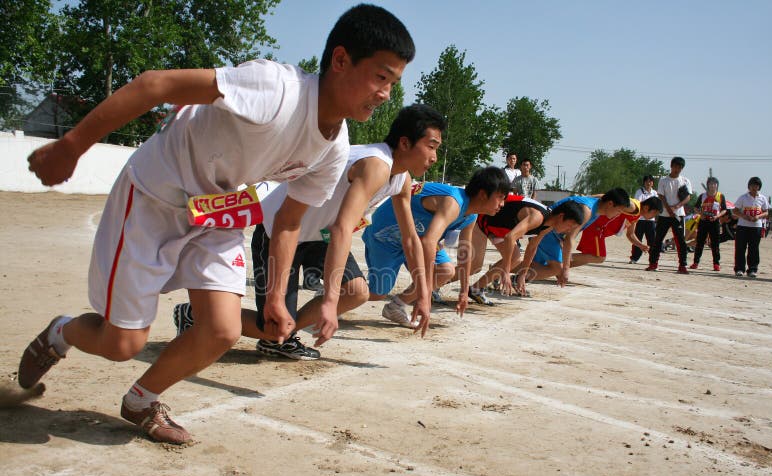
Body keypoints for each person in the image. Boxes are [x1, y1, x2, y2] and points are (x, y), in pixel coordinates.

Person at [18, 4, 415, 444]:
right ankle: (61, 332)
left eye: (393, 83)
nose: (385, 93)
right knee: (122, 345)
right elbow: (158, 84)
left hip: (217, 214)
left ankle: (142, 399)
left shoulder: (334, 149)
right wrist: (72, 146)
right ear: (341, 60)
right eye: (381, 76)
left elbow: (286, 223)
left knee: (223, 329)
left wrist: (274, 300)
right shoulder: (277, 88)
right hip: (154, 196)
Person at [173, 104, 445, 359]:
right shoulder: (375, 165)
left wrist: (423, 295)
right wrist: (328, 301)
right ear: (405, 142)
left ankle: (283, 335)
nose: (434, 157)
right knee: (272, 326)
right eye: (430, 146)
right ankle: (195, 315)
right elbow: (342, 228)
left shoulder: (402, 178)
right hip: (280, 231)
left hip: (318, 237)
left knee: (357, 291)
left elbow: (410, 239)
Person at [363, 166, 509, 325]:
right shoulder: (454, 202)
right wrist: (423, 296)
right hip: (386, 234)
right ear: (482, 194)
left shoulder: (471, 215)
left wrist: (463, 291)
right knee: (377, 293)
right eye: (500, 197)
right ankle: (338, 296)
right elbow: (429, 242)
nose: (503, 204)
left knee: (445, 270)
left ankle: (396, 307)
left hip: (415, 238)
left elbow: (464, 252)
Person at [466, 197, 585, 303]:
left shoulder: (549, 224)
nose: (569, 230)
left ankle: (475, 289)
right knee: (474, 267)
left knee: (515, 258)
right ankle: (447, 280)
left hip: (498, 228)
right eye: (570, 225)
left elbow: (533, 246)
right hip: (483, 219)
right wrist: (506, 271)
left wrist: (523, 274)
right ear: (561, 217)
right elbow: (510, 237)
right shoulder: (538, 217)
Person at [525, 188, 630, 285]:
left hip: (551, 232)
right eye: (619, 211)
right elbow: (569, 239)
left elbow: (602, 196)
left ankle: (515, 275)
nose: (618, 215)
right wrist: (566, 268)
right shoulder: (587, 210)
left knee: (533, 267)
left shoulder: (597, 205)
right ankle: (516, 277)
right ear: (610, 204)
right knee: (557, 269)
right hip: (548, 230)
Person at [571, 196, 663, 268]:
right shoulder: (633, 206)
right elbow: (609, 197)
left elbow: (630, 234)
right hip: (596, 228)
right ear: (646, 207)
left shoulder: (636, 215)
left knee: (592, 256)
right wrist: (587, 198)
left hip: (598, 230)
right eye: (654, 213)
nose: (654, 216)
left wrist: (641, 245)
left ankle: (561, 267)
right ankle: (561, 259)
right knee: (599, 257)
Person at [646, 156, 693, 273]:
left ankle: (682, 265)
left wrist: (676, 207)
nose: (677, 169)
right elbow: (661, 196)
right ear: (671, 166)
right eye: (675, 166)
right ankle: (653, 263)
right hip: (664, 215)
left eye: (680, 167)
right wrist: (668, 209)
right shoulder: (663, 180)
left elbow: (688, 197)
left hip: (679, 215)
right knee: (658, 240)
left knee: (681, 241)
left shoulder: (685, 181)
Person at [733, 176, 770, 278]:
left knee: (754, 249)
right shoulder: (743, 197)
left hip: (756, 227)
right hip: (743, 226)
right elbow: (735, 210)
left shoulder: (762, 198)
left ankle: (752, 269)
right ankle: (739, 269)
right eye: (752, 185)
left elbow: (766, 212)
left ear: (759, 187)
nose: (754, 187)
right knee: (740, 248)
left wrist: (758, 216)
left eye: (756, 185)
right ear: (748, 186)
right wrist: (745, 216)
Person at [689, 177, 727, 271]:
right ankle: (695, 262)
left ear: (717, 185)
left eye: (714, 184)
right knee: (700, 242)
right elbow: (696, 207)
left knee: (715, 244)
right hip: (703, 221)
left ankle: (716, 264)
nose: (712, 185)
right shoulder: (702, 196)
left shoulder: (720, 196)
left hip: (714, 222)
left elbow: (724, 210)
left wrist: (717, 216)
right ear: (708, 185)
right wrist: (700, 214)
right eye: (711, 184)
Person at [629, 174, 658, 263]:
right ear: (644, 182)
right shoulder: (639, 192)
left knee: (652, 240)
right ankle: (635, 257)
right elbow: (638, 203)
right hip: (640, 219)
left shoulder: (654, 193)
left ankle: (653, 259)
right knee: (637, 238)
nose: (648, 183)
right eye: (646, 181)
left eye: (650, 181)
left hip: (650, 220)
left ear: (652, 183)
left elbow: (656, 205)